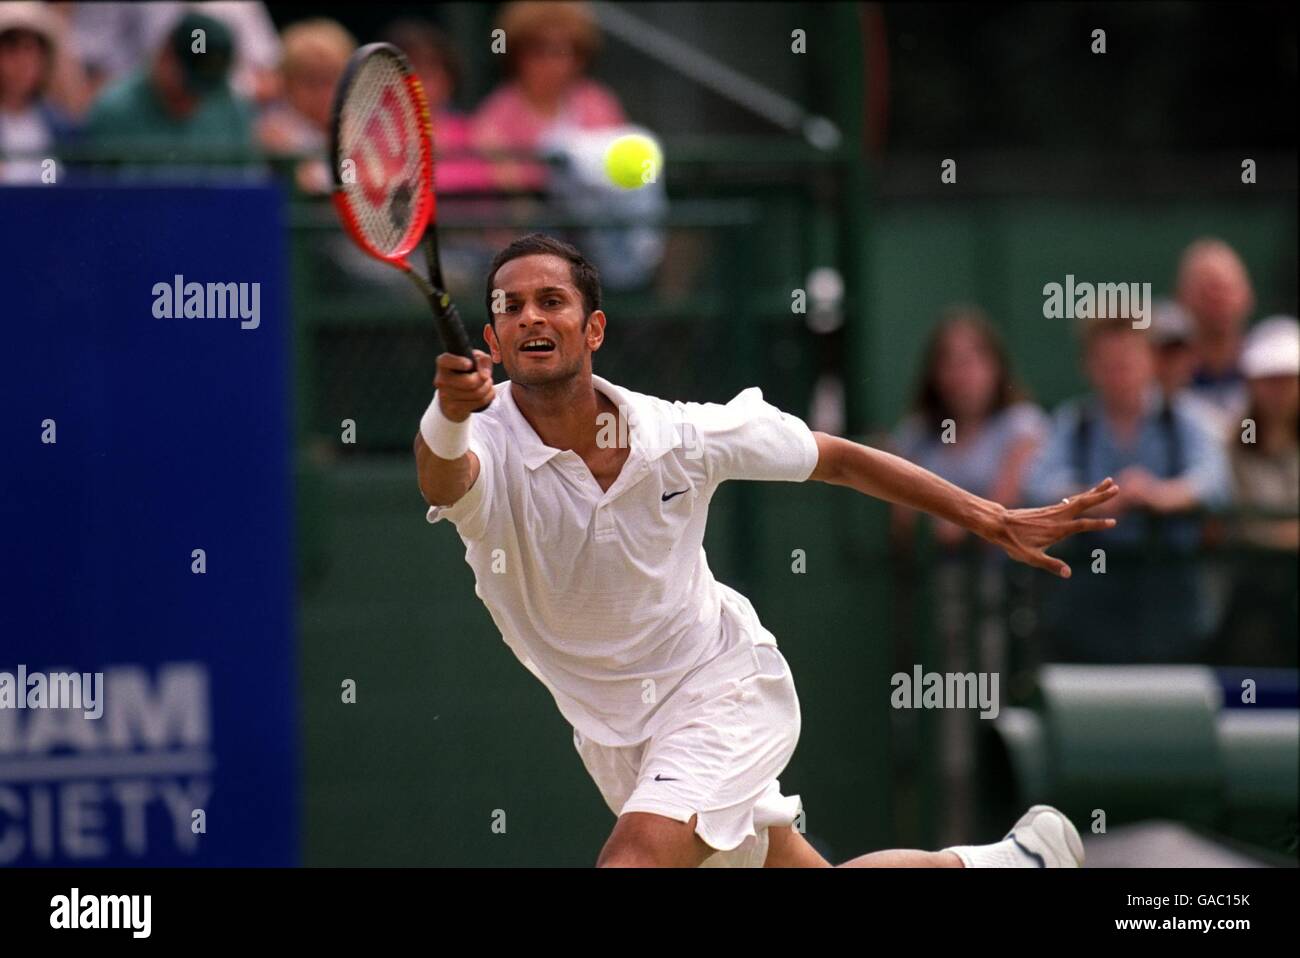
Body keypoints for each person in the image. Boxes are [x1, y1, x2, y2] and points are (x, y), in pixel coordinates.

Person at [413, 233, 1117, 868]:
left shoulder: (681, 437)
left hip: (721, 688)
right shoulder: (475, 437)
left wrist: (990, 518)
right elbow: (444, 476)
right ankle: (1013, 863)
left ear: (593, 327)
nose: (532, 316)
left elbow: (836, 458)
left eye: (552, 301)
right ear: (494, 339)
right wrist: (448, 411)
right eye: (513, 307)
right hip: (615, 735)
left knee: (632, 864)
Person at [1025, 314, 1231, 661]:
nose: (1119, 371)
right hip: (1088, 599)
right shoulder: (1073, 424)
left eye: (1128, 360)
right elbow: (1037, 485)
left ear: (1149, 360)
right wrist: (1095, 499)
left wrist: (1159, 494)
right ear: (1088, 366)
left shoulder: (1188, 420)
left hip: (1171, 597)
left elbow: (1216, 483)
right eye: (1108, 363)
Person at [891, 307, 1048, 550]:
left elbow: (1005, 504)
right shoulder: (916, 434)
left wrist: (959, 523)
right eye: (949, 363)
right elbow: (903, 514)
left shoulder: (1022, 424)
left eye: (971, 362)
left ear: (996, 367)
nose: (961, 375)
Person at [472, 1, 625, 191]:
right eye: (539, 50)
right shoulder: (497, 114)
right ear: (517, 54)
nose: (552, 63)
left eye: (563, 50)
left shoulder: (599, 103)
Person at [83, 11, 253, 160]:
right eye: (188, 85)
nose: (194, 99)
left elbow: (249, 188)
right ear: (166, 57)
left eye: (206, 89)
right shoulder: (114, 112)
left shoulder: (233, 110)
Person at [256, 18, 354, 193]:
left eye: (332, 78)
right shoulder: (272, 134)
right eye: (311, 81)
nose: (324, 93)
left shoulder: (363, 131)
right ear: (286, 84)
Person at [1227, 316, 1300, 551]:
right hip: (1253, 580)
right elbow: (1244, 526)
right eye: (1270, 380)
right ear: (1251, 383)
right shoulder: (1235, 443)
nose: (1279, 391)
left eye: (1287, 380)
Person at [1175, 238, 1255, 419]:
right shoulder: (1160, 382)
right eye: (1206, 291)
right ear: (1181, 298)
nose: (1217, 299)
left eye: (1225, 289)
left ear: (1247, 295)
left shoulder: (1273, 374)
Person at [0, 1, 76, 183]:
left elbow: (54, 184)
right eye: (12, 49)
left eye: (31, 50)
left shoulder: (60, 126)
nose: (23, 62)